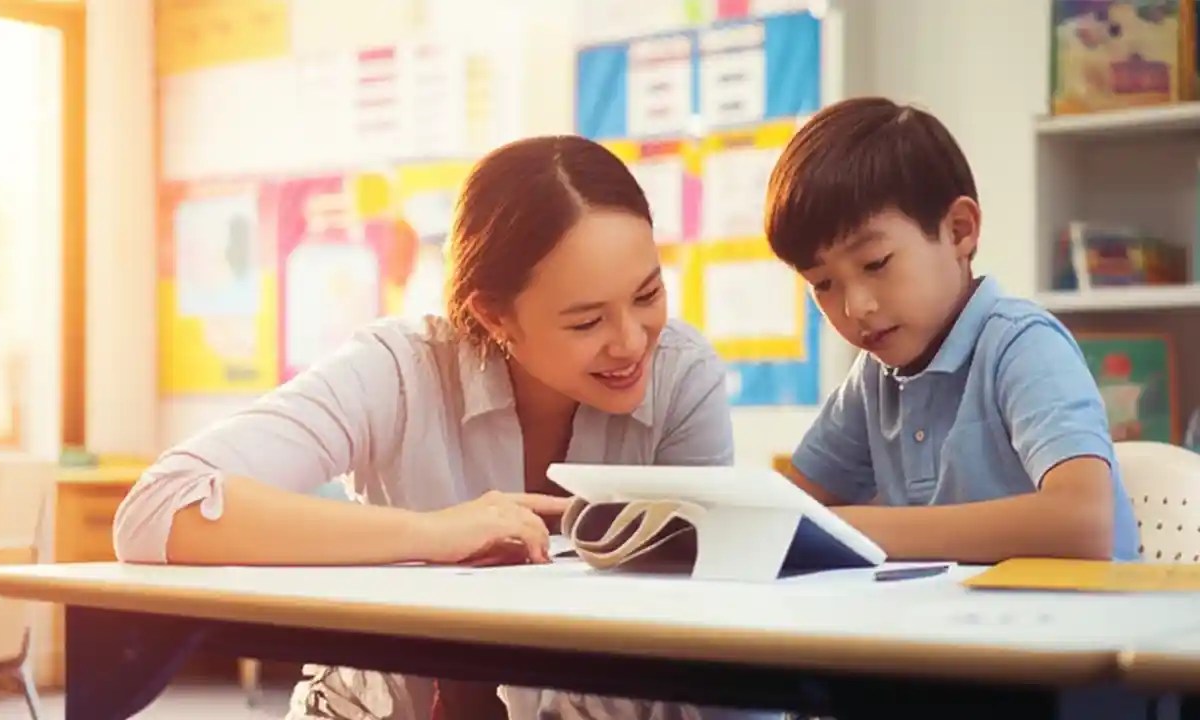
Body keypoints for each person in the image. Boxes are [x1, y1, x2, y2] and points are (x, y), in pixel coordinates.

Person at [113, 135, 739, 720]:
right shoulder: (399, 369)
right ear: (495, 317)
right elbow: (158, 508)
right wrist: (431, 533)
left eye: (648, 295)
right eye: (585, 323)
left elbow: (709, 603)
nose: (631, 342)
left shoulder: (682, 377)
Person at [763, 96, 1139, 563]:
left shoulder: (1022, 345)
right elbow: (778, 515)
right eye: (822, 284)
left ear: (960, 231)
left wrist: (854, 527)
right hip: (951, 630)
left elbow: (1082, 524)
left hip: (1078, 628)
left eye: (876, 263)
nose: (856, 306)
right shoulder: (873, 380)